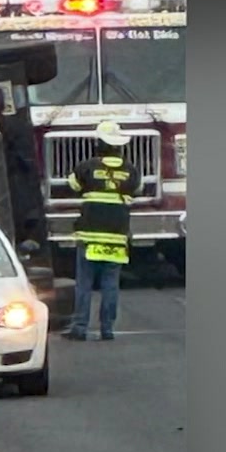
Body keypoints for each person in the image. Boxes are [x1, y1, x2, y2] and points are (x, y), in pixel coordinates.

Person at [63, 121, 141, 342]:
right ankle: (107, 329)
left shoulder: (86, 167)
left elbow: (73, 186)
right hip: (117, 235)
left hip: (89, 235)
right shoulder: (131, 170)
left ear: (98, 143)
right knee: (110, 283)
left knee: (84, 283)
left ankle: (80, 328)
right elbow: (137, 189)